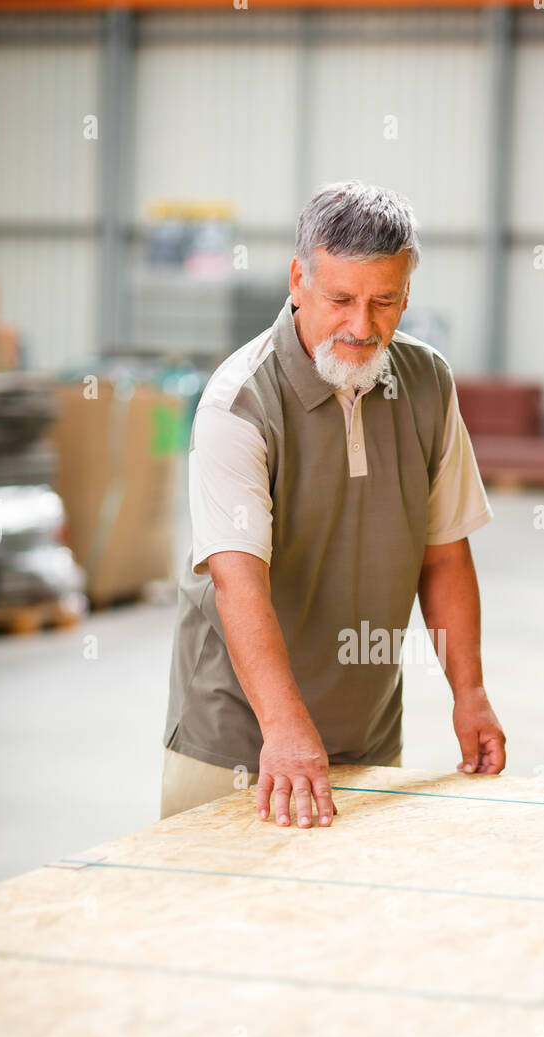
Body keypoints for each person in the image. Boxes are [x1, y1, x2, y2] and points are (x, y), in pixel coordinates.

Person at [161, 180, 505, 827]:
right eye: (341, 299)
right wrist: (285, 729)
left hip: (368, 741)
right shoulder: (240, 402)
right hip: (241, 743)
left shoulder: (429, 385)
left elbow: (445, 557)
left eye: (385, 302)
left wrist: (471, 692)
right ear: (298, 279)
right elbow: (239, 584)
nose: (362, 326)